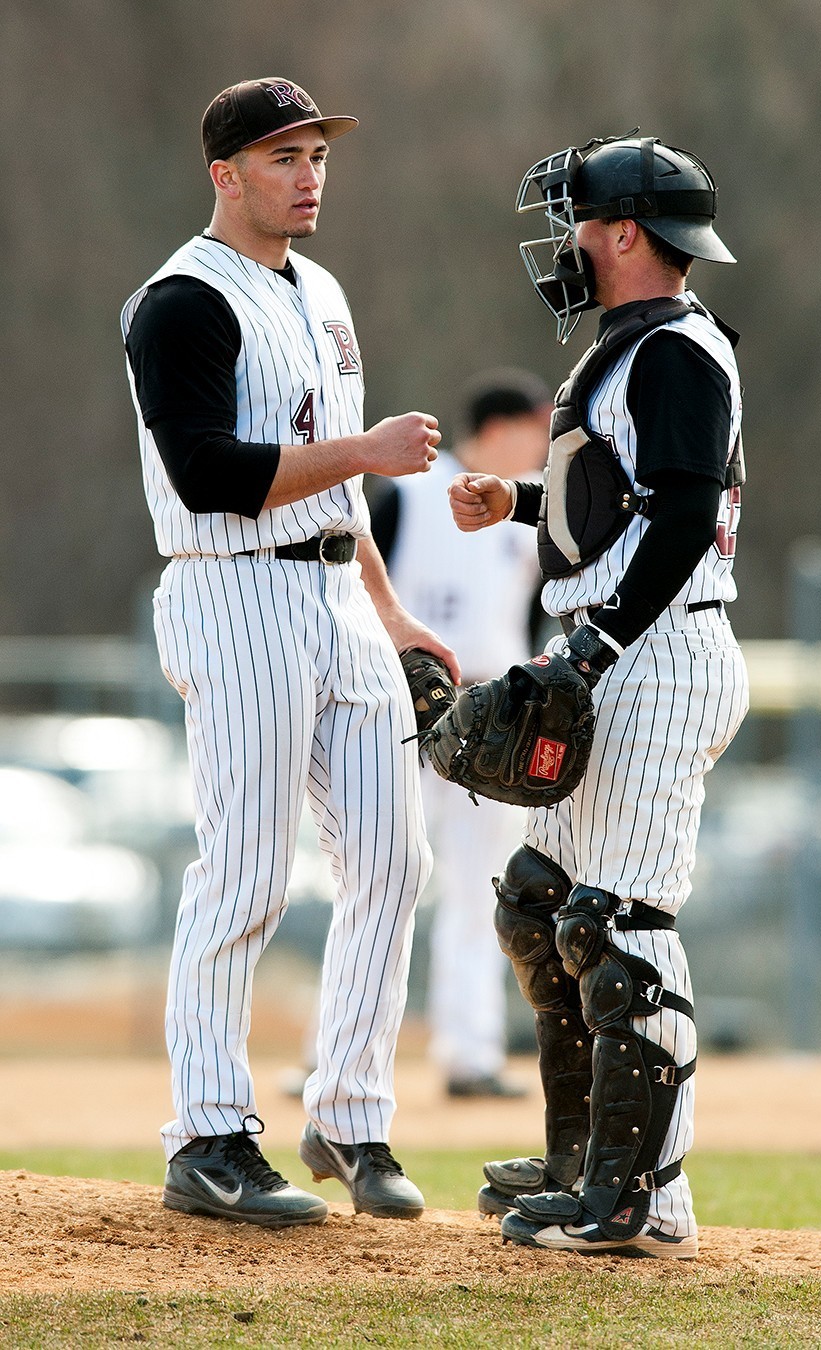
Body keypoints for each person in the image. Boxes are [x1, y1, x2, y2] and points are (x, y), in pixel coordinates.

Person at [121, 76, 460, 1228]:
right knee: (247, 872)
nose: (310, 176)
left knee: (394, 861)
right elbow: (208, 476)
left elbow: (340, 495)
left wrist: (392, 614)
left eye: (318, 155)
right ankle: (207, 1135)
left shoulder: (322, 292)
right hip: (235, 593)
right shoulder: (181, 301)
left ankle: (349, 1116)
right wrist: (365, 450)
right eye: (284, 157)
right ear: (225, 174)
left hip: (337, 596)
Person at [449, 133, 749, 1258]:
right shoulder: (634, 345)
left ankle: (645, 1199)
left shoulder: (674, 348)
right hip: (623, 648)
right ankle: (585, 1166)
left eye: (578, 220)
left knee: (619, 923)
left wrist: (595, 647)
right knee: (540, 905)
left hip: (655, 653)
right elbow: (618, 498)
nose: (567, 241)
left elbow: (683, 517)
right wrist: (521, 501)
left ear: (626, 232)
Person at [370, 370, 552, 1098]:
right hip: (403, 703)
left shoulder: (532, 505)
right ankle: (337, 1056)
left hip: (493, 713)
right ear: (500, 427)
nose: (543, 442)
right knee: (378, 879)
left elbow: (534, 618)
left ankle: (469, 1055)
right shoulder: (410, 492)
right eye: (536, 426)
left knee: (483, 890)